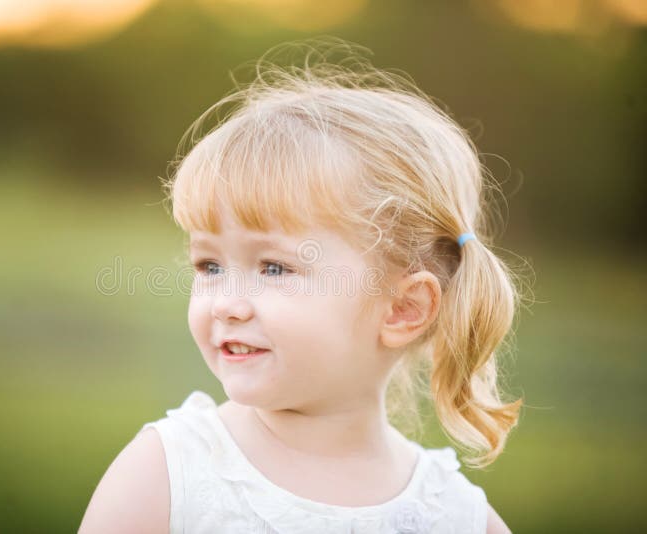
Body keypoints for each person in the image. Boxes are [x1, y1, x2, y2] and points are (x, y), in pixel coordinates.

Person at [80, 37, 523, 534]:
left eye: (273, 268)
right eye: (208, 266)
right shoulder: (168, 476)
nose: (226, 303)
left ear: (402, 308)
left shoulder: (453, 516)